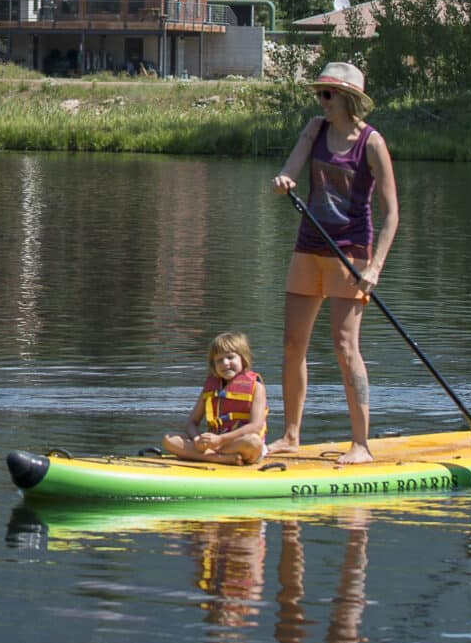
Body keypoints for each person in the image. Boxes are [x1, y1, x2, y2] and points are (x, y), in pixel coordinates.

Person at [268, 61, 398, 464]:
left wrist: (374, 268)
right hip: (310, 245)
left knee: (345, 346)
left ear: (347, 98)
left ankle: (361, 444)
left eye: (327, 95)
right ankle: (290, 435)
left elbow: (392, 213)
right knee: (293, 345)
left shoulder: (372, 143)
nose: (320, 101)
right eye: (319, 94)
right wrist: (285, 180)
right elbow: (290, 169)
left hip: (351, 252)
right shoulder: (315, 129)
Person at [163, 329, 268, 464]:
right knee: (169, 439)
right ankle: (219, 459)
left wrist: (221, 440)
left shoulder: (257, 387)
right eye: (219, 360)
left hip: (238, 444)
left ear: (243, 358)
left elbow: (255, 426)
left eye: (230, 357)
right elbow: (191, 422)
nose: (225, 363)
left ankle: (211, 457)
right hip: (215, 446)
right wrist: (196, 439)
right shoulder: (210, 388)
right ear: (214, 365)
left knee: (253, 442)